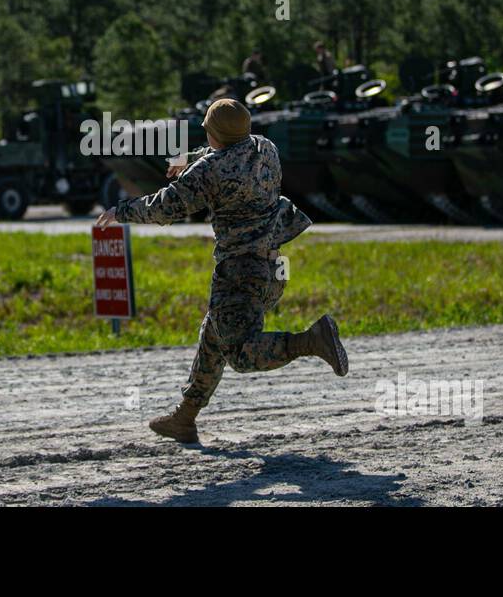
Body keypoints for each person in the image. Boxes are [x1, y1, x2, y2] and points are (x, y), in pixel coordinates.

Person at [95, 98, 347, 443]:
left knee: (241, 354)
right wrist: (192, 157)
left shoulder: (210, 171)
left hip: (241, 271)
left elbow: (166, 207)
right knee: (213, 335)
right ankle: (185, 418)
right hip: (274, 266)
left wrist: (120, 211)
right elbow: (226, 153)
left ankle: (312, 340)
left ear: (213, 134)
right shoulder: (266, 148)